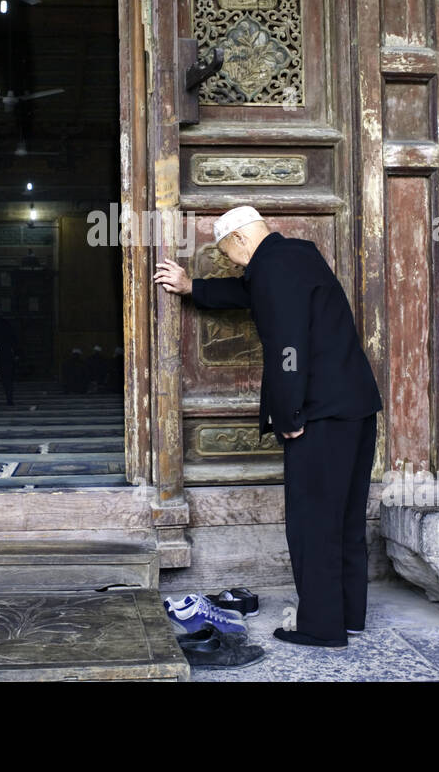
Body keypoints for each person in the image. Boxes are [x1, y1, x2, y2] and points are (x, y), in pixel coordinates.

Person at [153, 205, 382, 648]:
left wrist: (289, 413)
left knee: (312, 523)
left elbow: (288, 347)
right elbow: (247, 292)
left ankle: (321, 628)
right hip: (355, 407)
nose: (232, 263)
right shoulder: (296, 257)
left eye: (228, 255)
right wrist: (192, 287)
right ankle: (350, 617)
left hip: (318, 414)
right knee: (346, 519)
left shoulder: (272, 270)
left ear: (239, 239)